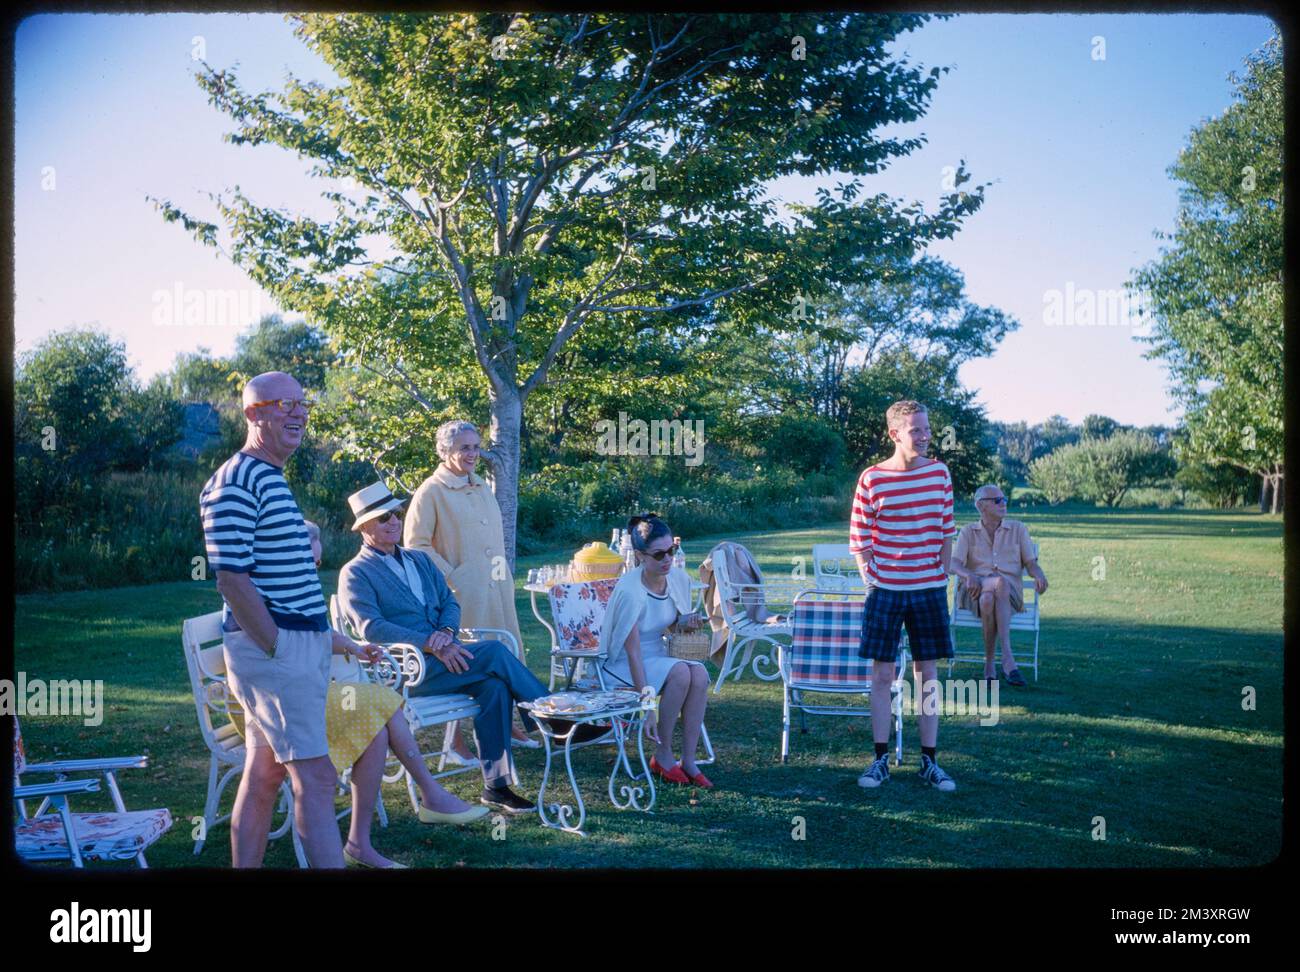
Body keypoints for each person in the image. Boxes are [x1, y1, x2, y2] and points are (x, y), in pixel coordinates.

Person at [339, 482, 606, 815]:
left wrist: (447, 634)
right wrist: (428, 643)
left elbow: (449, 602)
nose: (394, 522)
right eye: (383, 518)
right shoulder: (356, 573)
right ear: (364, 527)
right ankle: (551, 720)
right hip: (404, 671)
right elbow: (371, 628)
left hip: (445, 656)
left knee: (493, 686)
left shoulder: (419, 560)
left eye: (396, 514)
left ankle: (496, 787)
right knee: (493, 653)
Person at [200, 371, 345, 867]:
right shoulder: (236, 480)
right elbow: (231, 580)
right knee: (318, 779)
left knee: (265, 773)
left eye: (303, 404)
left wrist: (309, 535)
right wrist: (277, 646)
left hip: (293, 646)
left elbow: (264, 551)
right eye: (284, 404)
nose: (299, 413)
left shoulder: (268, 476)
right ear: (252, 413)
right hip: (276, 651)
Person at [302, 521, 490, 866]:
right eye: (306, 562)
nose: (312, 570)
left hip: (321, 686)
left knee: (379, 716)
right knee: (385, 703)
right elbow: (282, 645)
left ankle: (360, 843)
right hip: (289, 697)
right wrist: (427, 644)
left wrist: (355, 647)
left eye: (314, 564)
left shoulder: (417, 560)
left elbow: (318, 637)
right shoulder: (269, 591)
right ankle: (431, 793)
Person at [403, 419, 535, 761]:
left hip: (497, 586)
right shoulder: (430, 491)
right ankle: (456, 742)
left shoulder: (482, 486)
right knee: (467, 661)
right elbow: (416, 546)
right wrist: (453, 576)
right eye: (465, 447)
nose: (473, 453)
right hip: (461, 594)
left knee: (506, 648)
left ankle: (506, 726)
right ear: (445, 451)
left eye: (476, 446)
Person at [849, 399, 959, 793]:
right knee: (882, 675)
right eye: (917, 430)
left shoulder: (940, 474)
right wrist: (873, 579)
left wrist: (940, 574)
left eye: (927, 429)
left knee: (927, 676)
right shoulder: (872, 478)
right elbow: (859, 539)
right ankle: (879, 760)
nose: (926, 436)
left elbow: (947, 530)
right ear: (895, 434)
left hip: (928, 590)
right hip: (886, 592)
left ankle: (929, 762)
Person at [598, 514, 713, 788]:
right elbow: (633, 652)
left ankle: (689, 760)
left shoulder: (674, 578)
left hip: (658, 653)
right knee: (681, 673)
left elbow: (668, 625)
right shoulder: (630, 591)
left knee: (699, 674)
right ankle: (662, 755)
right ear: (640, 556)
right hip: (623, 664)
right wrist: (647, 707)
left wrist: (683, 621)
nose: (667, 559)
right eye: (659, 554)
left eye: (671, 551)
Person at [949, 485, 1048, 687]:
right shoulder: (968, 532)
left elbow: (1030, 563)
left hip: (1008, 596)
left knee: (992, 595)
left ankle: (989, 664)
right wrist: (968, 575)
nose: (1003, 503)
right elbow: (953, 563)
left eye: (1004, 499)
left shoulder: (1018, 529)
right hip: (973, 592)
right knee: (995, 586)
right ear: (981, 506)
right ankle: (1008, 659)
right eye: (997, 500)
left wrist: (1039, 574)